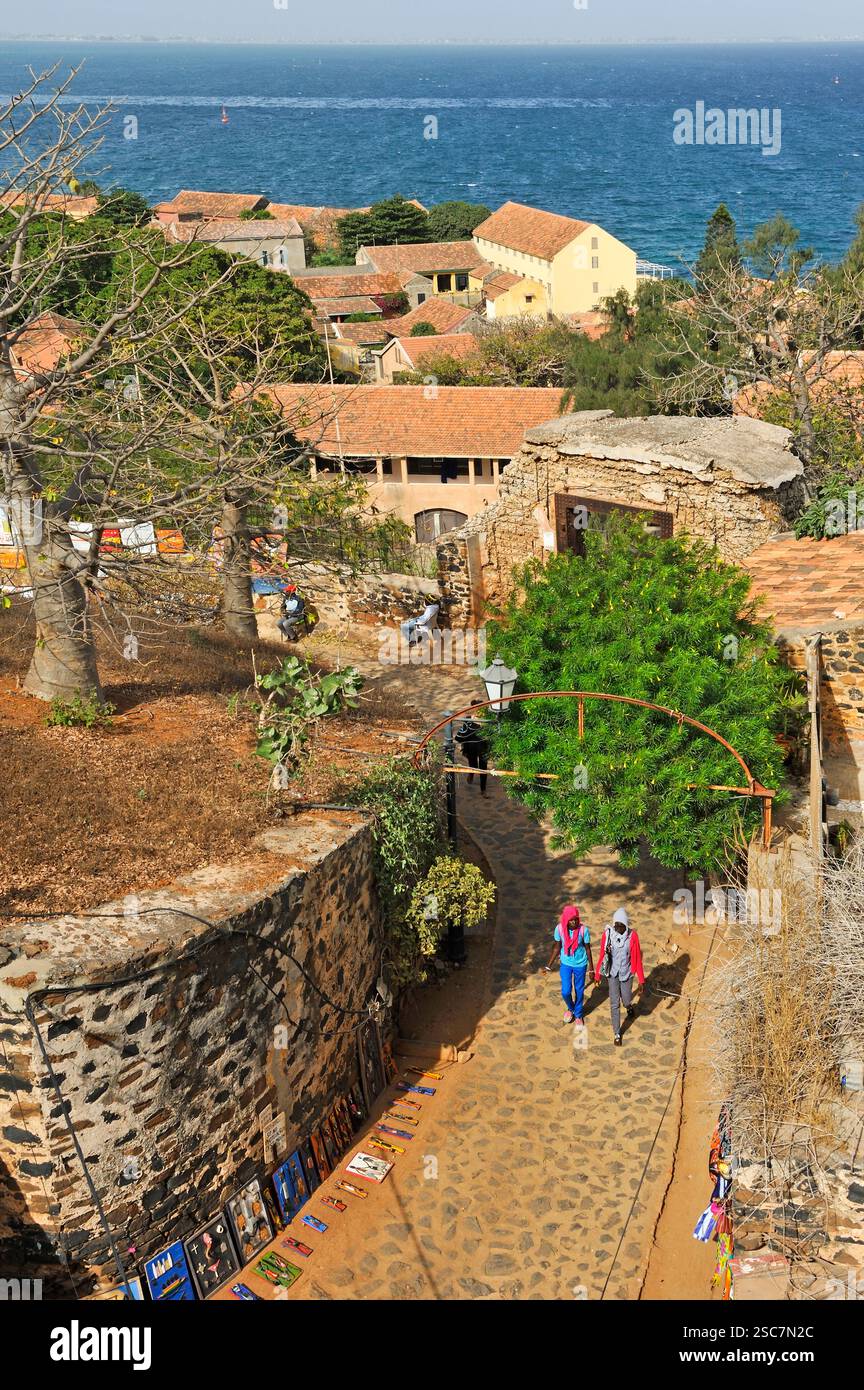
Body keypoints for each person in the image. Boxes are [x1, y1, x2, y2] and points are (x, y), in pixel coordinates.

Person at [594, 907, 645, 1046]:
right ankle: (617, 1033)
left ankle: (628, 1006)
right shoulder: (608, 934)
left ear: (626, 925)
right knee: (614, 1003)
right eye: (616, 925)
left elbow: (637, 959)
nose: (618, 928)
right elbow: (602, 956)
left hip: (627, 973)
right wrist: (598, 975)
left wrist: (641, 980)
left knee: (626, 999)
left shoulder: (632, 936)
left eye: (621, 926)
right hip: (612, 973)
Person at [545, 905, 594, 1026]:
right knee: (565, 991)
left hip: (580, 964)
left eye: (576, 919)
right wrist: (549, 965)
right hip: (566, 964)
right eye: (571, 920)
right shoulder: (559, 929)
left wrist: (591, 969)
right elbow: (557, 947)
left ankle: (578, 1014)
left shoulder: (583, 930)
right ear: (566, 919)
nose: (574, 922)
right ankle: (571, 1008)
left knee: (579, 990)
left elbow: (588, 949)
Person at [455, 700, 489, 795]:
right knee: (473, 764)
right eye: (476, 709)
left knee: (483, 768)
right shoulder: (468, 720)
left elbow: (492, 734)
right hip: (471, 747)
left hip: (483, 747)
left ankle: (483, 789)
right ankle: (471, 774)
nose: (478, 711)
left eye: (481, 709)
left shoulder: (488, 721)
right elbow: (462, 733)